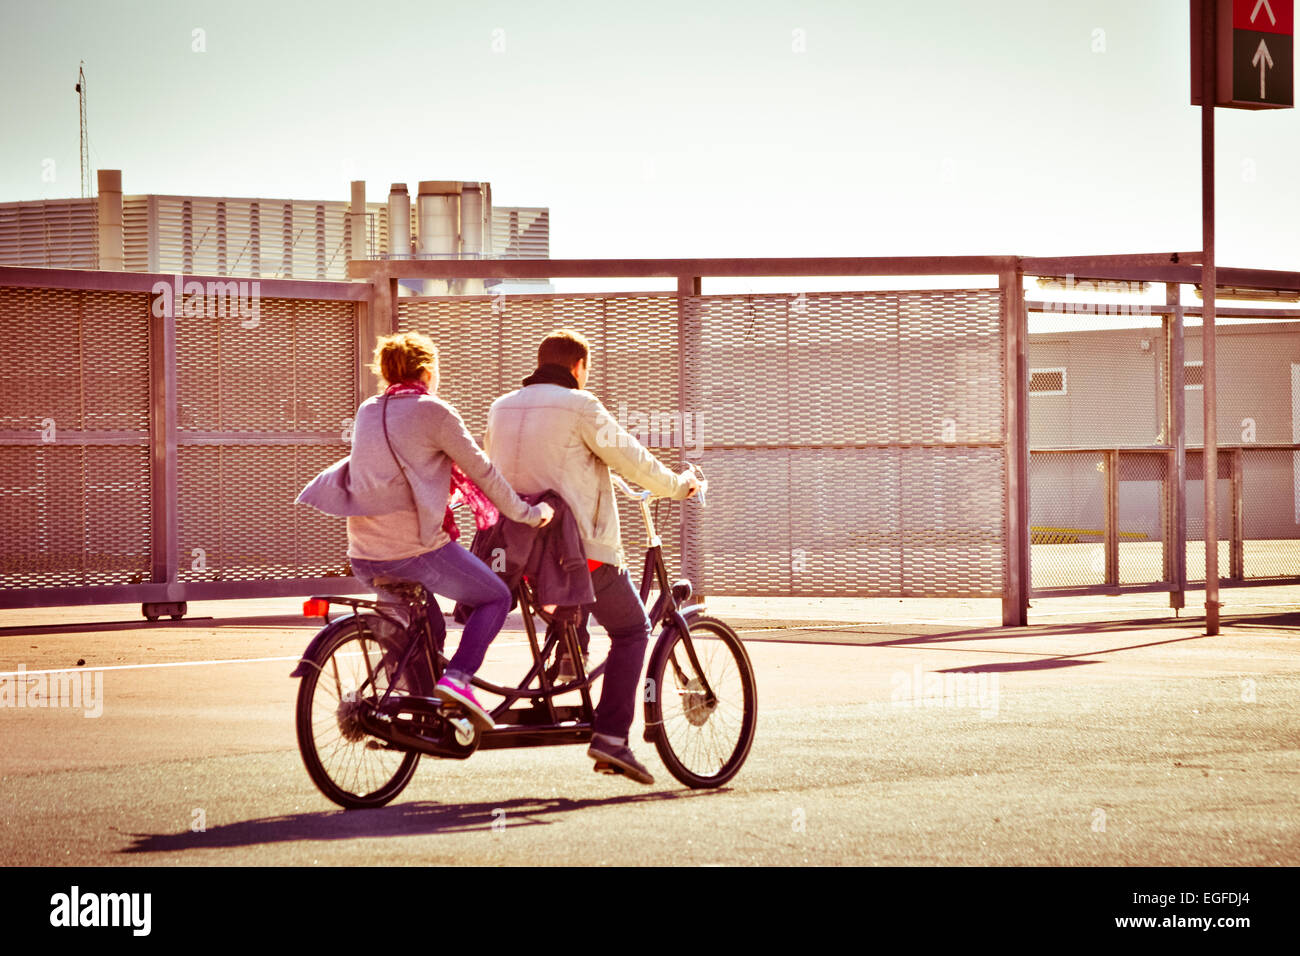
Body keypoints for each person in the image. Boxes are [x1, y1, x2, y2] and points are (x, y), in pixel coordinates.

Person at [299, 331, 553, 731]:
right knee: (496, 598)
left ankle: (417, 712)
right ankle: (459, 680)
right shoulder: (434, 412)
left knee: (429, 628)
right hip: (413, 551)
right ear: (427, 369)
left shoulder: (369, 410)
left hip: (364, 554)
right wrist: (527, 513)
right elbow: (481, 470)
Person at [485, 328, 699, 784]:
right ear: (579, 368)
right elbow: (633, 461)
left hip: (513, 553)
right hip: (571, 549)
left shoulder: (501, 407)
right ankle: (611, 739)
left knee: (576, 596)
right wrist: (679, 486)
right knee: (632, 629)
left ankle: (570, 649)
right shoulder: (581, 406)